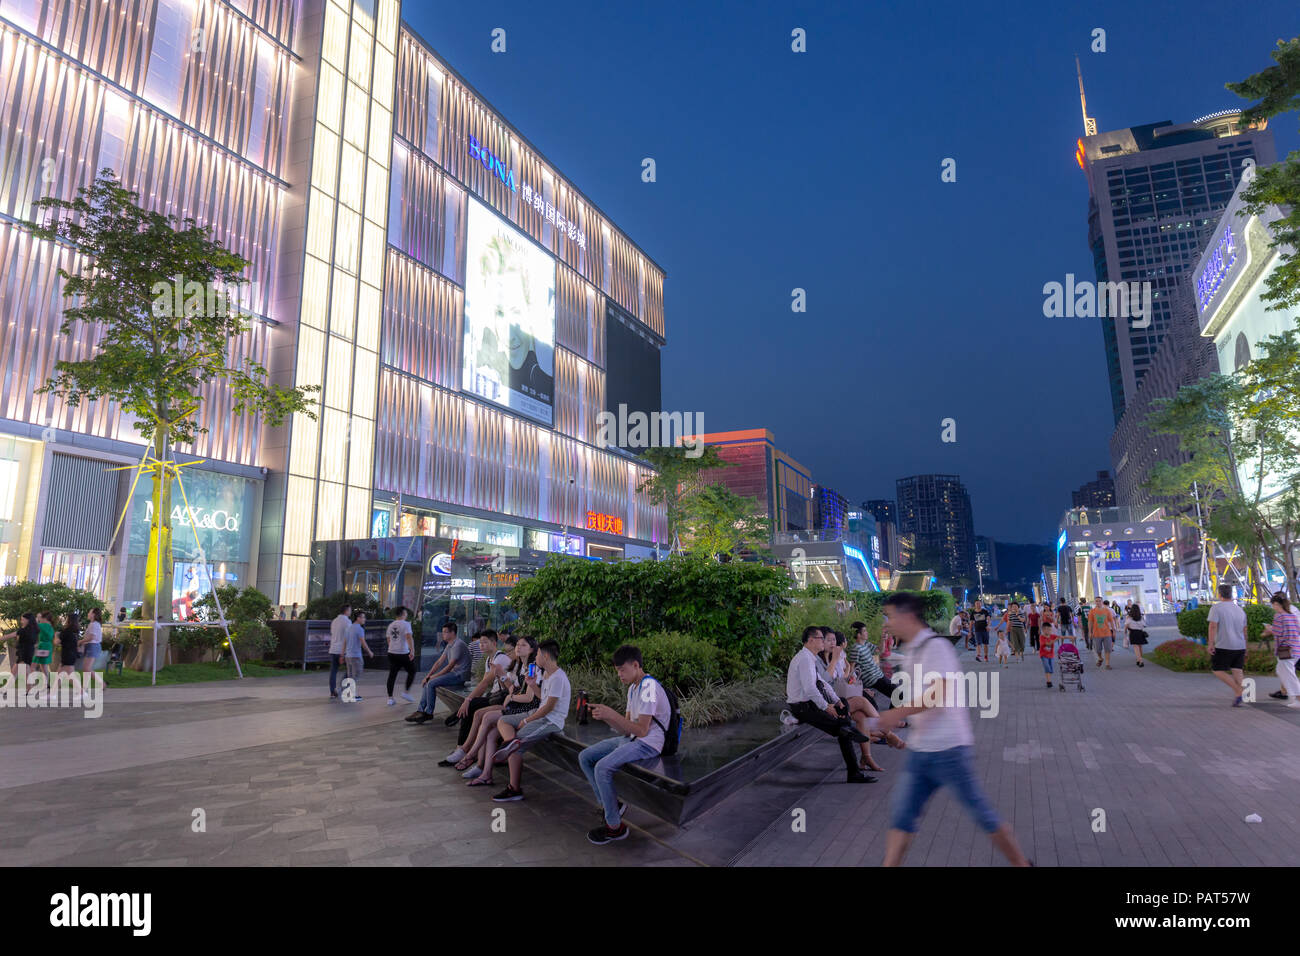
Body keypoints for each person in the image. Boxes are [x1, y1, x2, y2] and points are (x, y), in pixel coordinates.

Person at [874, 592, 1030, 867]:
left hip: (949, 749)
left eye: (890, 616)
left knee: (982, 813)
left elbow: (938, 693)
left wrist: (895, 714)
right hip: (920, 750)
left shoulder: (936, 647)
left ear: (907, 616)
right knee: (902, 816)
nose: (887, 623)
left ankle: (1021, 863)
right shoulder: (912, 650)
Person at [580, 644, 670, 844]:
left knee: (602, 768)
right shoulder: (632, 688)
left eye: (622, 670)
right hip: (632, 739)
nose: (619, 674)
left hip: (648, 744)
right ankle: (612, 805)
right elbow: (626, 730)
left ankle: (615, 828)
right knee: (585, 757)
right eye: (617, 670)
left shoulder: (649, 686)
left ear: (636, 665)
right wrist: (606, 717)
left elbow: (643, 730)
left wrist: (612, 714)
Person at [786, 626, 876, 784]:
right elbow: (810, 689)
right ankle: (854, 764)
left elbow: (822, 683)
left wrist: (836, 701)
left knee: (843, 714)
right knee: (843, 728)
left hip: (810, 704)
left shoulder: (809, 658)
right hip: (802, 707)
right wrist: (826, 707)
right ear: (811, 640)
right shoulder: (805, 659)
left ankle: (852, 736)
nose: (823, 641)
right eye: (821, 638)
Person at [491, 639, 571, 802]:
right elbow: (543, 698)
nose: (536, 658)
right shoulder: (548, 674)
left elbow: (549, 708)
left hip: (550, 721)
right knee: (504, 720)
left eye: (539, 654)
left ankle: (514, 789)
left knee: (516, 747)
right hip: (541, 716)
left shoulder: (558, 677)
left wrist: (527, 721)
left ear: (546, 656)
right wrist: (533, 685)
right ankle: (509, 743)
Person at [458, 636, 537, 784]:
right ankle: (485, 774)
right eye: (517, 645)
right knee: (490, 733)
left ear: (532, 649)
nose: (518, 648)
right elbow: (513, 688)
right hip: (515, 705)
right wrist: (504, 680)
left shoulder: (532, 668)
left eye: (523, 645)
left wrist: (511, 696)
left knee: (486, 717)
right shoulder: (520, 666)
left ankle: (470, 754)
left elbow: (529, 697)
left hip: (525, 709)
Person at [440, 630, 511, 759]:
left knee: (470, 706)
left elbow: (485, 683)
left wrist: (468, 700)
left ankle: (462, 748)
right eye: (480, 643)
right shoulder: (489, 659)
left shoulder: (500, 658)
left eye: (485, 642)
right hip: (494, 696)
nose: (481, 645)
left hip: (503, 698)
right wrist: (472, 699)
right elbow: (484, 684)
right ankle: (461, 747)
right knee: (471, 706)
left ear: (494, 643)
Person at [405, 621, 471, 723]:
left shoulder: (458, 645)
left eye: (445, 632)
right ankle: (420, 711)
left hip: (460, 676)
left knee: (431, 683)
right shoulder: (449, 645)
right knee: (428, 681)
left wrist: (433, 677)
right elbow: (439, 662)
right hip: (454, 674)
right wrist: (428, 676)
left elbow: (449, 666)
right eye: (442, 632)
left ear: (452, 633)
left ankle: (428, 713)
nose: (442, 634)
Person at [1207, 584, 1248, 707]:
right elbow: (1245, 629)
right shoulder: (1240, 609)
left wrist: (1211, 643)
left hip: (1224, 644)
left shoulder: (1216, 608)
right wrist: (1246, 645)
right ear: (1231, 594)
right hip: (1240, 645)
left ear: (1219, 594)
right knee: (1237, 670)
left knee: (1217, 670)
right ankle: (1239, 696)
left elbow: (1213, 626)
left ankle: (1238, 690)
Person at [1263, 592, 1300, 707]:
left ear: (1276, 604)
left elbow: (1278, 632)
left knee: (1289, 674)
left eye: (1273, 605)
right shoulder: (1292, 615)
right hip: (1295, 649)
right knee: (1281, 670)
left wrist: (1269, 628)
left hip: (1286, 650)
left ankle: (1297, 699)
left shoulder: (1279, 616)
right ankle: (1292, 696)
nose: (1272, 607)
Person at [849, 622, 897, 707]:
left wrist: (883, 639)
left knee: (898, 694)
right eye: (864, 631)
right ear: (859, 635)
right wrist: (856, 685)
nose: (867, 632)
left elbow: (879, 650)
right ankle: (892, 715)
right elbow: (851, 667)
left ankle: (892, 715)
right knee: (898, 694)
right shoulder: (856, 648)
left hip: (878, 675)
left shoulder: (866, 644)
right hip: (872, 679)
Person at [384, 606, 416, 707]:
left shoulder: (391, 625)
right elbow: (409, 637)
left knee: (392, 675)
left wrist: (393, 647)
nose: (406, 614)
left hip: (391, 652)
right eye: (406, 613)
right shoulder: (406, 624)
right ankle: (406, 692)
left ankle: (390, 699)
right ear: (403, 614)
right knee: (412, 671)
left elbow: (388, 639)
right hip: (403, 653)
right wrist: (412, 651)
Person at [342, 610, 374, 700]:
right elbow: (363, 643)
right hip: (356, 656)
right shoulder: (359, 629)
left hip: (348, 655)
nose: (364, 619)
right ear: (358, 618)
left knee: (350, 676)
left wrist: (342, 654)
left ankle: (349, 694)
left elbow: (344, 642)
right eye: (363, 617)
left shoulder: (348, 628)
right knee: (356, 675)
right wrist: (369, 652)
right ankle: (352, 695)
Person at [2, 612, 39, 683]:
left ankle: (31, 688)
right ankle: (7, 688)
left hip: (24, 654)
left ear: (28, 620)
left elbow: (9, 636)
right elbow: (34, 642)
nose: (21, 621)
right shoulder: (34, 630)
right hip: (28, 653)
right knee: (15, 673)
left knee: (24, 674)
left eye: (23, 620)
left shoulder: (23, 630)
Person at [328, 603, 352, 699]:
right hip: (343, 650)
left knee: (333, 671)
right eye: (350, 610)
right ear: (346, 611)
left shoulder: (334, 621)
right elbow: (349, 637)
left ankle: (332, 691)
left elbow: (332, 633)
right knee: (350, 670)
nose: (350, 612)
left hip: (333, 649)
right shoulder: (347, 622)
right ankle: (341, 688)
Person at [1088, 596, 1116, 670]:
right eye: (1096, 601)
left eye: (1099, 601)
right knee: (1098, 650)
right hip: (1096, 634)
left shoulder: (1107, 610)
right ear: (1095, 602)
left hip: (1107, 633)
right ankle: (1100, 658)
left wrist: (1114, 631)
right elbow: (1090, 622)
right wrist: (1090, 632)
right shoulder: (1092, 611)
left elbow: (1111, 621)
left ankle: (1107, 664)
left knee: (1108, 649)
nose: (1098, 602)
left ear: (1102, 602)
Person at [78, 608, 103, 676]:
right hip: (92, 646)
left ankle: (101, 682)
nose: (88, 614)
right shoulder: (94, 624)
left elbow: (92, 637)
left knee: (86, 669)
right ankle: (86, 683)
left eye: (89, 612)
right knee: (86, 669)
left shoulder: (94, 624)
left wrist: (80, 641)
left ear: (93, 614)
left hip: (92, 647)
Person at [1123, 603, 1148, 668]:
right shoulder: (1141, 617)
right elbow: (1144, 625)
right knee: (1140, 647)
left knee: (1136, 647)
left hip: (1133, 633)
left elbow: (1126, 625)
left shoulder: (1129, 617)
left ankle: (1140, 661)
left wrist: (1125, 632)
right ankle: (1139, 660)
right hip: (1140, 632)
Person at [1038, 617, 1058, 688]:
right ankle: (1049, 681)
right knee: (1047, 667)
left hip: (1051, 655)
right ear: (1043, 630)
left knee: (1051, 669)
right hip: (1043, 655)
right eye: (1048, 630)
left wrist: (1070, 637)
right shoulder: (1041, 637)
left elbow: (1060, 637)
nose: (1050, 631)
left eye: (1050, 630)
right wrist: (1053, 641)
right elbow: (1047, 644)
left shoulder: (1052, 636)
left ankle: (1049, 679)